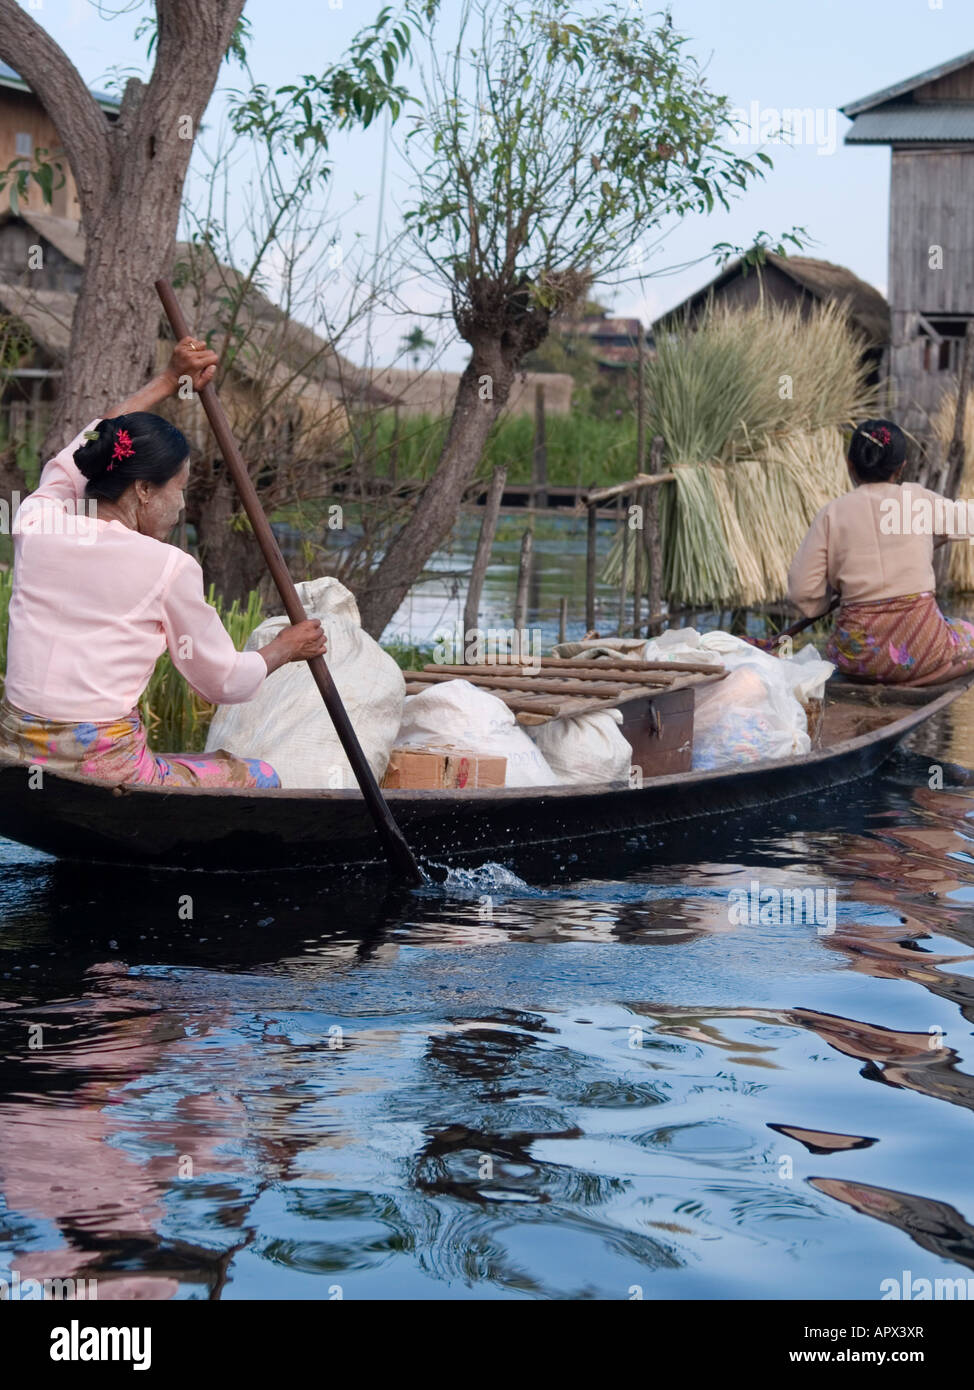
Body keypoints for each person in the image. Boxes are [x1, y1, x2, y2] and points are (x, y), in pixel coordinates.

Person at [0, 338, 327, 786]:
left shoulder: (36, 522)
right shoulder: (168, 566)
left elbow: (85, 447)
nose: (181, 504)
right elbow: (223, 682)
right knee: (261, 775)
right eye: (180, 488)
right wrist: (286, 648)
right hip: (104, 767)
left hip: (16, 752)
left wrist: (168, 381)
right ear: (144, 490)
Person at [787, 418, 974, 686]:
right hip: (925, 651)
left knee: (851, 650)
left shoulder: (832, 513)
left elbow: (801, 592)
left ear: (850, 465)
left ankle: (903, 674)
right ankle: (925, 675)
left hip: (856, 659)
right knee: (966, 634)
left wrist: (822, 603)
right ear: (901, 468)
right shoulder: (917, 499)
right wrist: (940, 533)